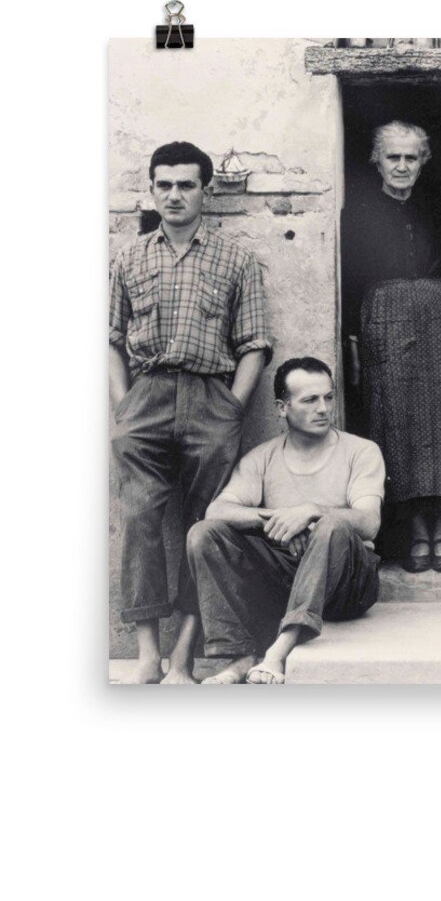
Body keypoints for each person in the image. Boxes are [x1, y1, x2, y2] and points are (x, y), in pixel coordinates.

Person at [110, 141, 272, 684]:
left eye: (186, 184)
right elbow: (109, 338)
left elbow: (254, 343)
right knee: (140, 519)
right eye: (164, 185)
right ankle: (147, 655)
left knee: (209, 527)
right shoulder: (130, 258)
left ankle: (184, 657)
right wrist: (124, 405)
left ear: (206, 190)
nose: (174, 195)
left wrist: (231, 409)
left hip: (211, 397)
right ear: (152, 190)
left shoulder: (237, 258)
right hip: (146, 397)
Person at [186, 357, 384, 684]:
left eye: (329, 397)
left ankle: (280, 650)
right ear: (282, 407)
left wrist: (312, 510)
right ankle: (241, 653)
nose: (323, 408)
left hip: (349, 584)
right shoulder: (262, 457)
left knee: (333, 525)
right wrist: (281, 520)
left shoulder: (361, 451)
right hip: (287, 577)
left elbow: (368, 522)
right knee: (203, 534)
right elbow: (217, 511)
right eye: (310, 400)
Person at [340, 121, 441, 573]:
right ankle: (417, 534)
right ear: (376, 160)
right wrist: (356, 349)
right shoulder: (356, 213)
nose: (402, 166)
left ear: (424, 161)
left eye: (411, 157)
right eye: (393, 157)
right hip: (383, 321)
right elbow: (351, 285)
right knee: (396, 427)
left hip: (440, 321)